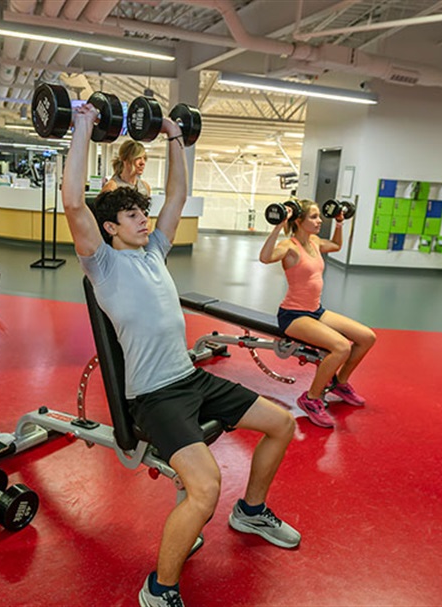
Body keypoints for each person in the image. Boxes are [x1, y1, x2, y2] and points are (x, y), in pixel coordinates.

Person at [62, 105, 300, 607]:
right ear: (109, 228)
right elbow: (73, 203)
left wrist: (175, 137)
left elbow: (178, 196)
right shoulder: (102, 266)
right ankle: (159, 589)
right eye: (132, 216)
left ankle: (252, 510)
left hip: (191, 379)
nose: (144, 219)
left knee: (282, 423)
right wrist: (82, 127)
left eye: (142, 213)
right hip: (153, 397)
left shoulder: (153, 252)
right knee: (206, 488)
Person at [258, 200, 377, 429]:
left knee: (367, 337)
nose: (320, 220)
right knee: (341, 347)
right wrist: (278, 225)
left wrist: (340, 223)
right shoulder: (289, 246)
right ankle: (311, 399)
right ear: (299, 222)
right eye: (313, 217)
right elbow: (265, 257)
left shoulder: (313, 241)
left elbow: (334, 245)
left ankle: (340, 383)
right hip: (293, 315)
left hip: (316, 310)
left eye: (319, 216)